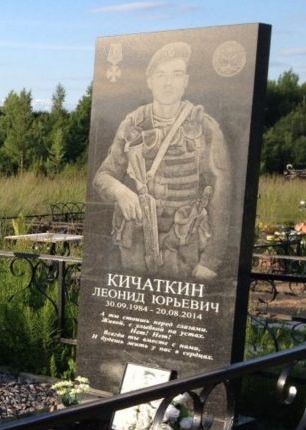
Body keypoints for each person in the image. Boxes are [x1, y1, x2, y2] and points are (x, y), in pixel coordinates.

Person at [93, 41, 232, 280]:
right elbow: (102, 177)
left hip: (184, 244)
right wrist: (120, 191)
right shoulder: (133, 123)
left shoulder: (205, 127)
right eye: (161, 75)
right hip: (136, 244)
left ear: (186, 81)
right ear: (150, 81)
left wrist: (211, 259)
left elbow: (221, 191)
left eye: (176, 74)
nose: (168, 83)